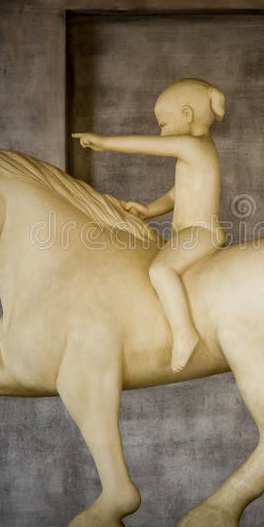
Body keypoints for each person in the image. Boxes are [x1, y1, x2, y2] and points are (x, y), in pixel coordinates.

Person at [73, 78, 226, 373]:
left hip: (201, 233)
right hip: (188, 234)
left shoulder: (194, 146)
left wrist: (104, 143)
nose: (161, 133)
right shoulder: (196, 152)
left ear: (187, 114)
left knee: (160, 270)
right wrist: (149, 209)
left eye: (164, 124)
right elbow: (177, 194)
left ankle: (185, 333)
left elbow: (149, 146)